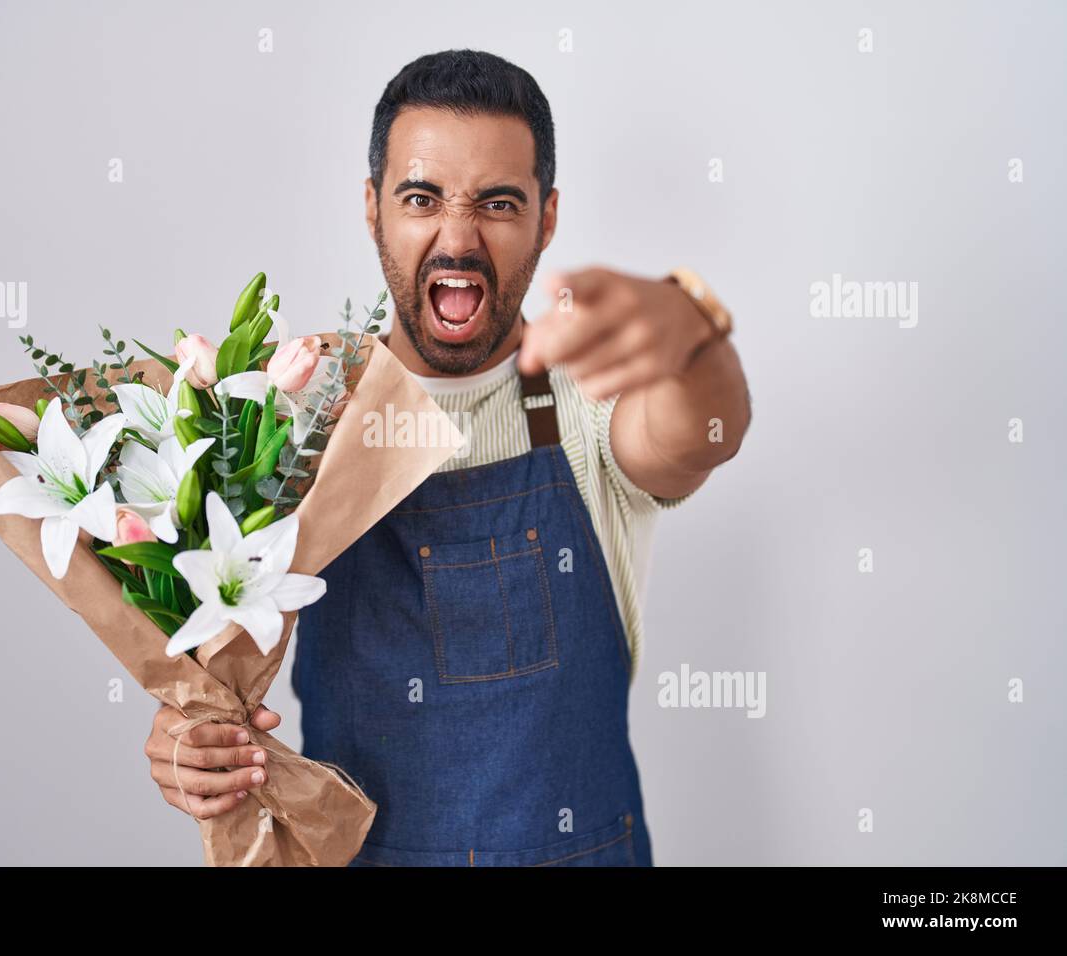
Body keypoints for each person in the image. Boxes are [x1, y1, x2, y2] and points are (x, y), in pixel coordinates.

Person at [143, 49, 751, 866]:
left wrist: (690, 330)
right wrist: (194, 742)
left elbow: (703, 430)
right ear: (372, 208)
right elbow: (215, 687)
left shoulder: (591, 401)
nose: (458, 239)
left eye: (499, 203)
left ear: (548, 216)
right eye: (421, 198)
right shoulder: (289, 419)